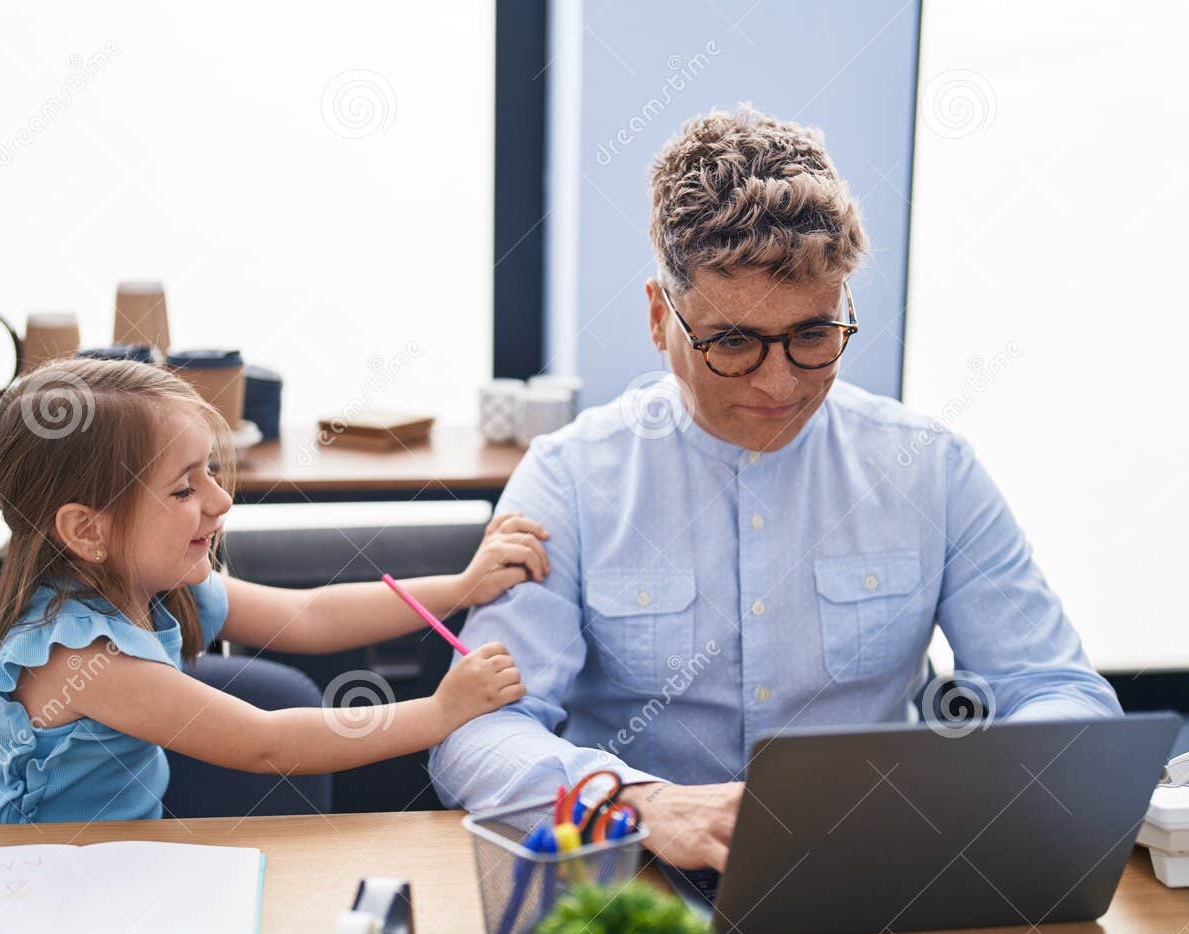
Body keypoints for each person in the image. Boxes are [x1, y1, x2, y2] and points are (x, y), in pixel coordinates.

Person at [429, 106, 1120, 871]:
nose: (780, 382)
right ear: (661, 319)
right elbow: (476, 733)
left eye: (813, 336)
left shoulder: (930, 468)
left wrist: (987, 787)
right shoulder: (570, 478)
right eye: (733, 343)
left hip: (870, 881)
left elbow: (1057, 690)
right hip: (641, 882)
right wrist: (642, 802)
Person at [0, 357, 545, 825]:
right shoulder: (85, 658)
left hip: (98, 880)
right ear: (87, 530)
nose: (221, 500)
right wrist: (440, 713)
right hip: (10, 901)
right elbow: (266, 744)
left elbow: (309, 616)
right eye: (183, 490)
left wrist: (463, 587)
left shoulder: (158, 587)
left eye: (210, 472)